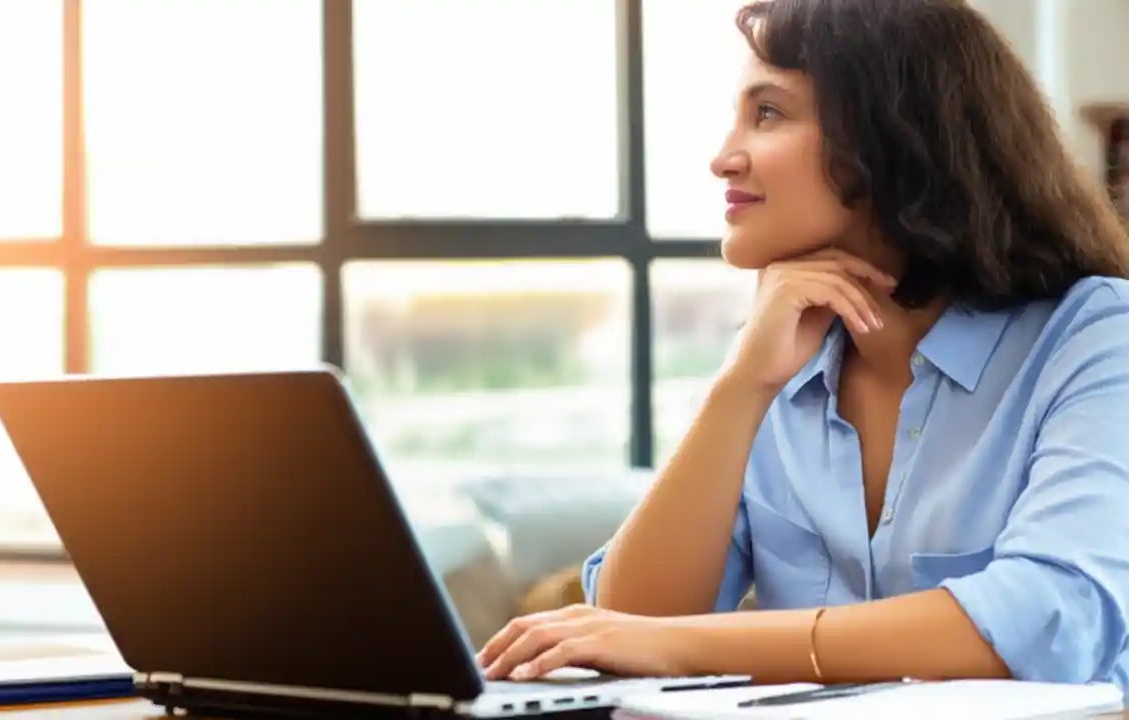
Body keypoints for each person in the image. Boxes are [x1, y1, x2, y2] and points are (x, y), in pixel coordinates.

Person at [477, 0, 1129, 689]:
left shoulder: (1096, 338)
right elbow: (626, 627)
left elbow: (1051, 615)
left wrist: (689, 646)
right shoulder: (777, 361)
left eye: (768, 113)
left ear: (892, 137)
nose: (723, 159)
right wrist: (740, 388)